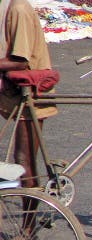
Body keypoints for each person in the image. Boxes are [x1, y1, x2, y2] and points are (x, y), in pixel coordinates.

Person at [0, 0, 57, 189]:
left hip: (31, 92)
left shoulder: (19, 9)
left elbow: (20, 61)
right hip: (12, 91)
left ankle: (31, 208)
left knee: (23, 160)